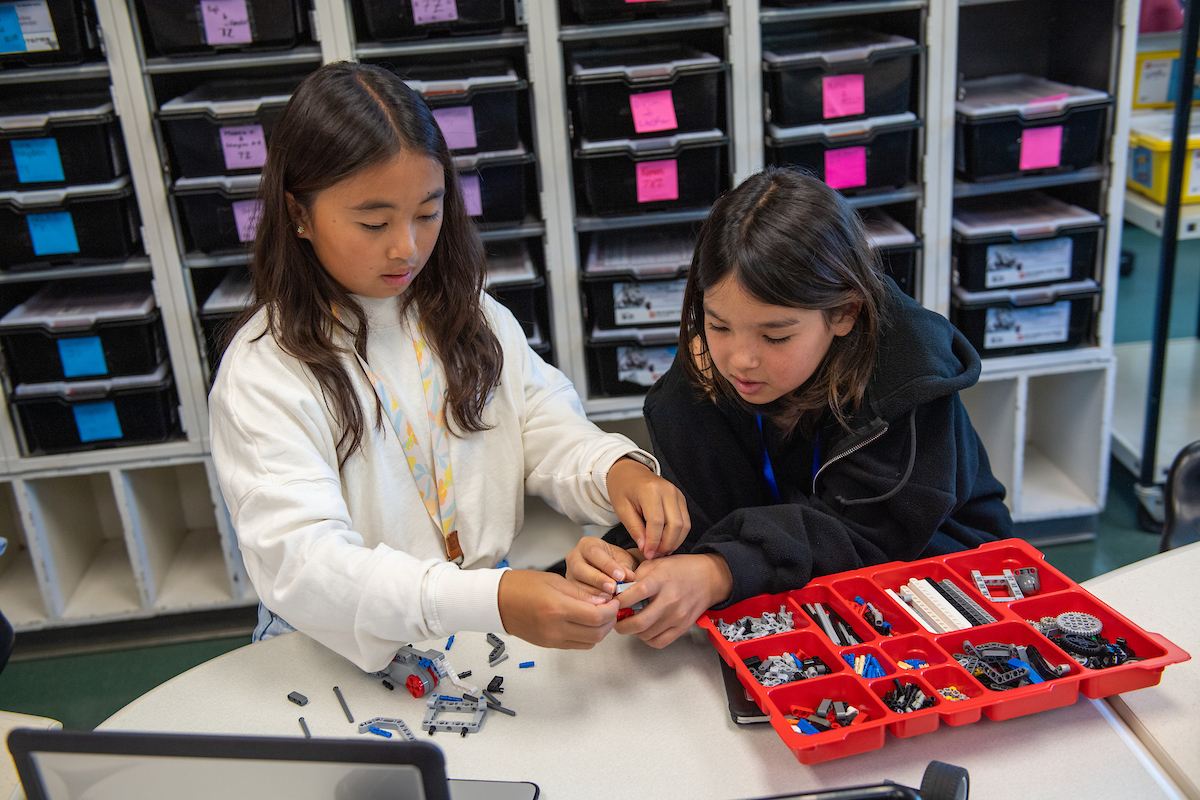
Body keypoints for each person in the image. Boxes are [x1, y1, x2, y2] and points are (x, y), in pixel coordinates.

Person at [208, 62, 689, 673]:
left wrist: (615, 471)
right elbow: (309, 565)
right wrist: (494, 598)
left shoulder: (467, 315)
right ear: (299, 214)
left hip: (473, 618)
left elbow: (537, 419)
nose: (406, 246)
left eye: (428, 212)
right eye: (374, 222)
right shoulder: (265, 370)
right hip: (330, 644)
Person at [568, 168, 1012, 648]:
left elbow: (868, 537)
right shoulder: (698, 383)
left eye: (775, 335)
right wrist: (633, 561)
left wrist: (719, 570)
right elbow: (704, 524)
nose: (740, 359)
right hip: (784, 595)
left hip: (946, 583)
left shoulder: (909, 378)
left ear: (844, 312)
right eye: (717, 326)